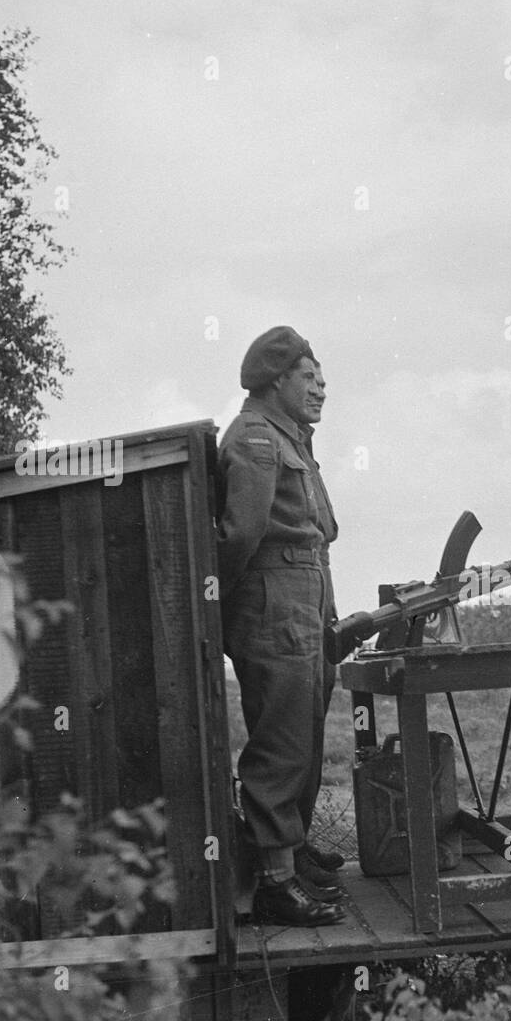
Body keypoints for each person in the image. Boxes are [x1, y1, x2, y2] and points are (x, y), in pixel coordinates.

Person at [216, 325, 346, 927]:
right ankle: (272, 881)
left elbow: (316, 535)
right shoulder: (256, 439)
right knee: (282, 739)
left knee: (307, 728)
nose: (321, 388)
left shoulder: (292, 436)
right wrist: (227, 608)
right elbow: (239, 536)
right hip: (276, 599)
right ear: (275, 380)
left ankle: (289, 855)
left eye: (322, 378)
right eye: (309, 378)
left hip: (305, 592)